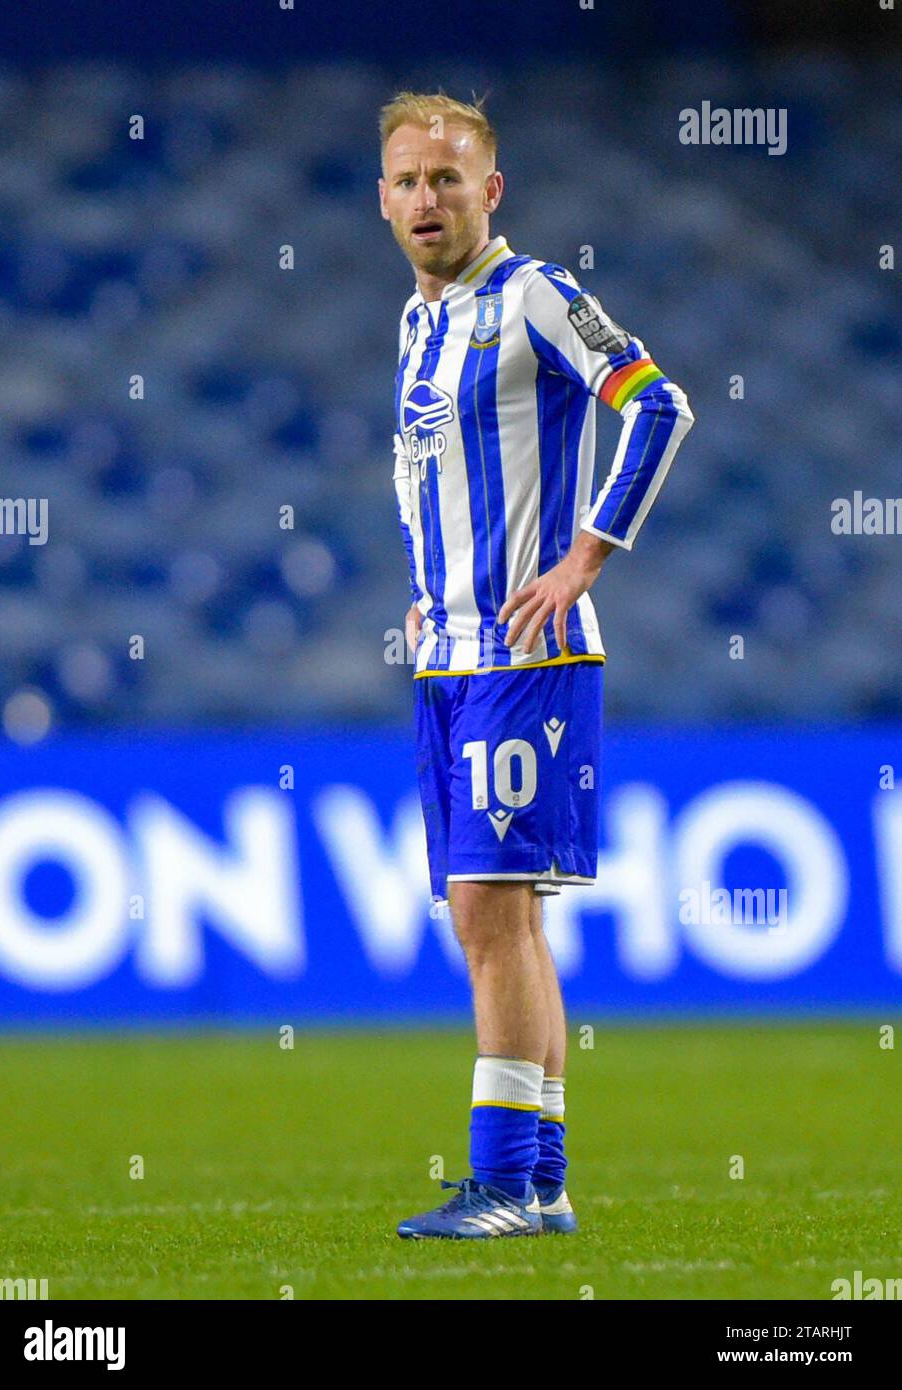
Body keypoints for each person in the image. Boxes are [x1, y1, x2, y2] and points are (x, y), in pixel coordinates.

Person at [379, 91, 695, 1238]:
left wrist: (583, 559)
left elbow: (657, 406)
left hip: (527, 652)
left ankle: (505, 1181)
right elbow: (433, 483)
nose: (428, 198)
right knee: (495, 921)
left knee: (490, 906)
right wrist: (424, 592)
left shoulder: (534, 295)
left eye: (448, 178)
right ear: (383, 197)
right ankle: (545, 1179)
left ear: (489, 191)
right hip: (448, 659)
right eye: (409, 180)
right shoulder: (417, 324)